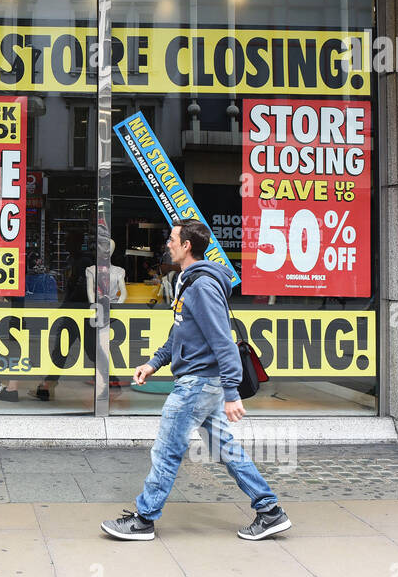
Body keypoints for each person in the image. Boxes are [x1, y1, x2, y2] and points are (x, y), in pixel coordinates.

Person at [101, 218, 291, 542]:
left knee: (166, 450)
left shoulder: (202, 286)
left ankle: (144, 519)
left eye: (173, 239)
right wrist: (154, 363)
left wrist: (232, 392)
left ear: (188, 245)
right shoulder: (188, 282)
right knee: (227, 449)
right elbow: (180, 331)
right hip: (201, 382)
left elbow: (223, 340)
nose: (168, 243)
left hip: (197, 384)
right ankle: (270, 511)